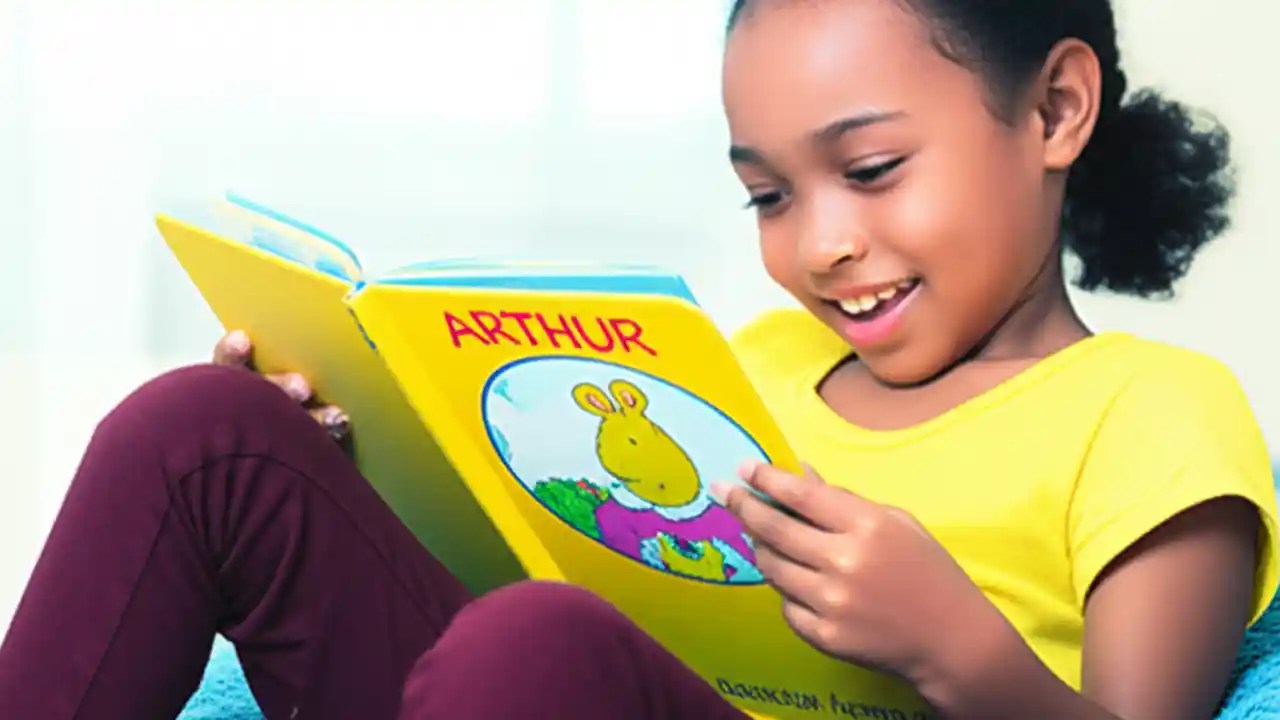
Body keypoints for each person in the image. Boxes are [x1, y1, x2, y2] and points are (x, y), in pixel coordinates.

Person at [1, 1, 1276, 718]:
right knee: (204, 434)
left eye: (871, 170)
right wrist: (357, 471)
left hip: (553, 683)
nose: (823, 244)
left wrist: (952, 645)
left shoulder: (1150, 411)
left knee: (537, 647)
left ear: (1054, 109)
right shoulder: (758, 363)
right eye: (767, 197)